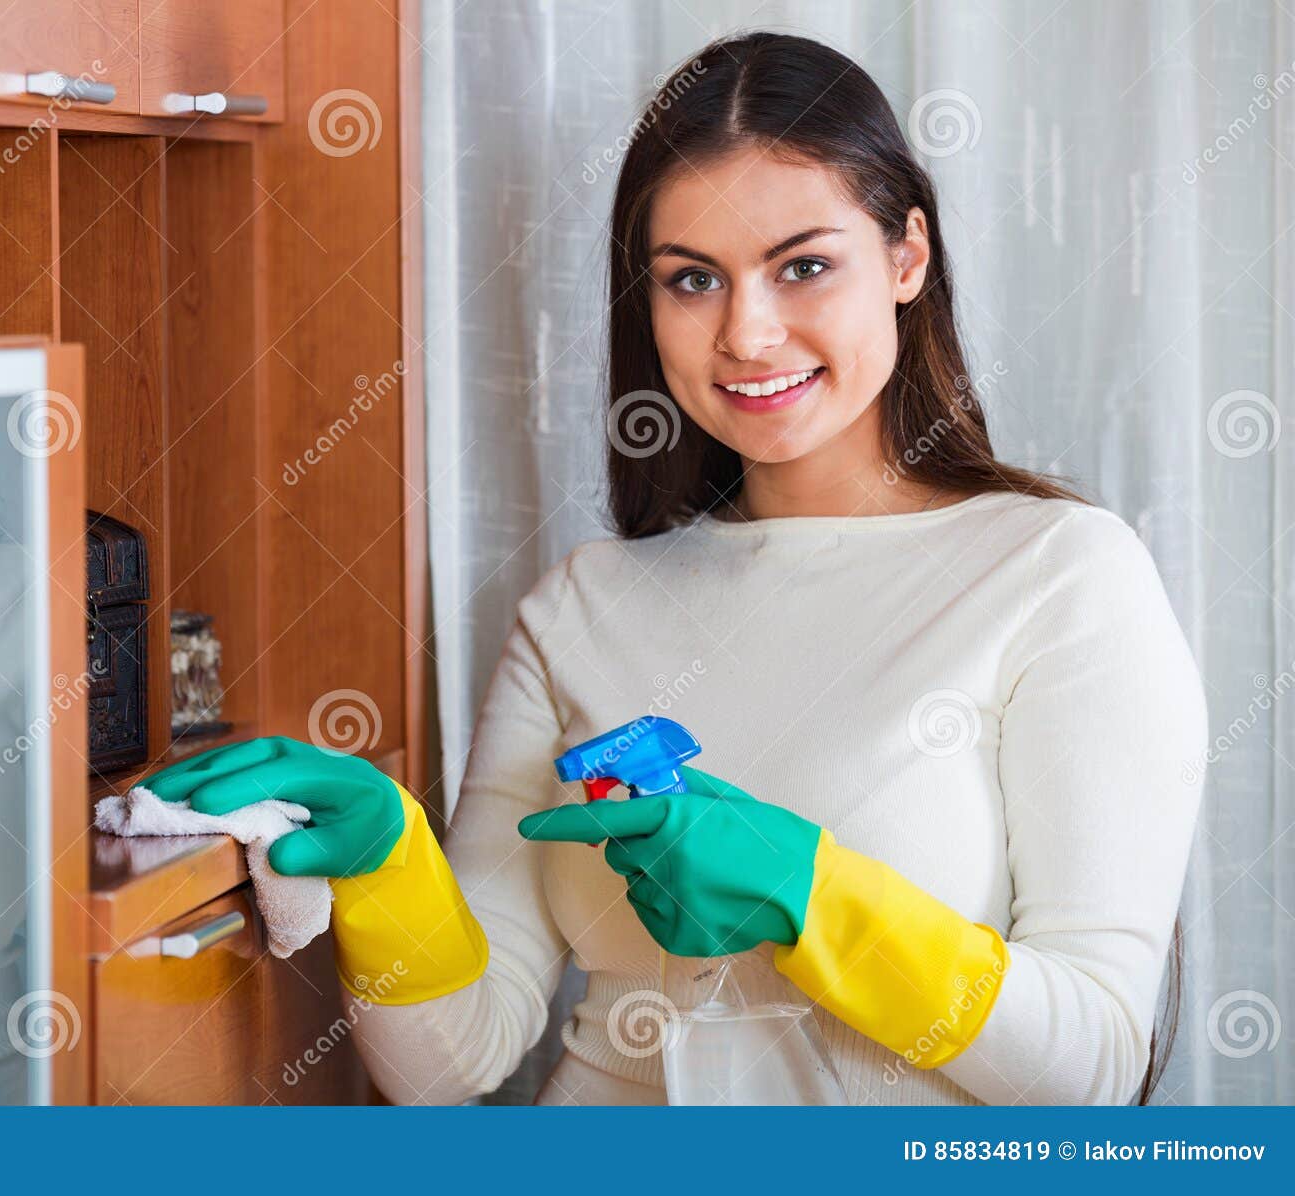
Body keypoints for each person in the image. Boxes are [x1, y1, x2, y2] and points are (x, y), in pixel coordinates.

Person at [138, 30, 1208, 1106]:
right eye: (693, 279)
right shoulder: (583, 606)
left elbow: (1091, 1066)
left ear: (906, 258)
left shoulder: (1057, 573)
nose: (747, 332)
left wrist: (809, 896)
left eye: (802, 266)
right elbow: (449, 1061)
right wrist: (387, 865)